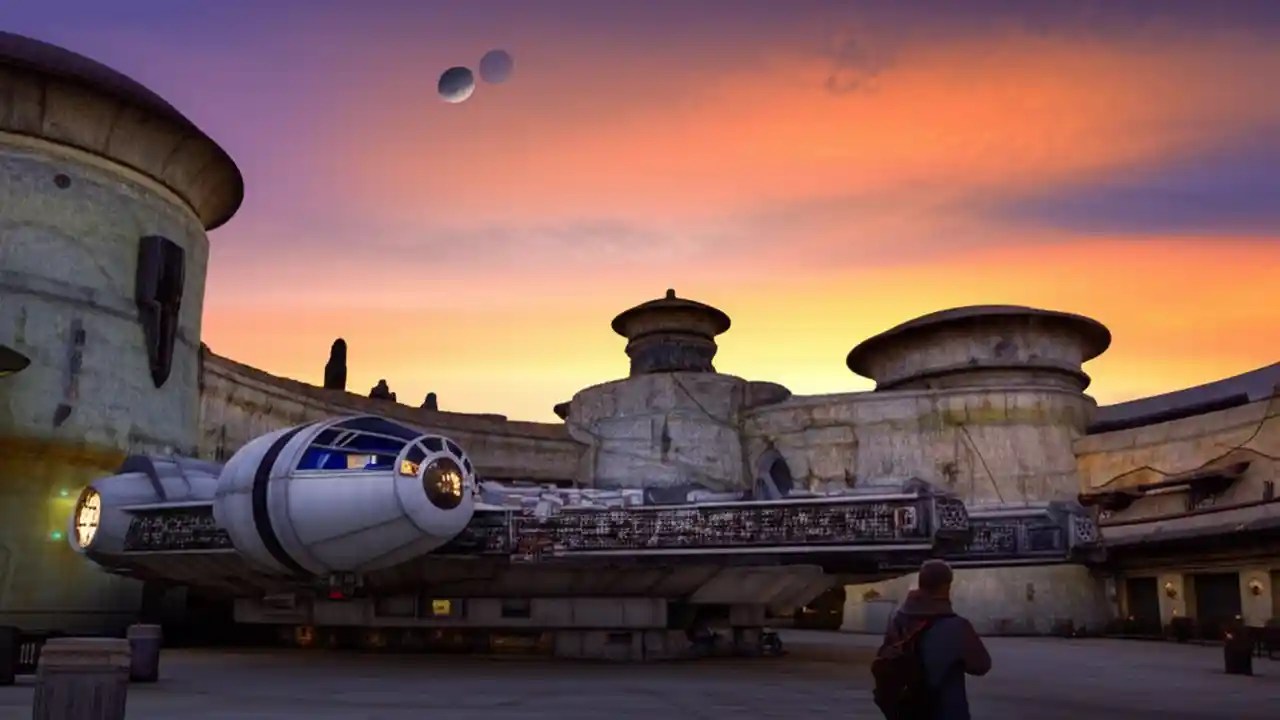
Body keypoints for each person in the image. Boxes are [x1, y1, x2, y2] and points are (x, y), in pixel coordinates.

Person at [874, 559, 992, 720]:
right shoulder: (957, 626)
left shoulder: (897, 619)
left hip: (904, 710)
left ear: (921, 582)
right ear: (946, 586)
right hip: (947, 712)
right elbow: (981, 665)